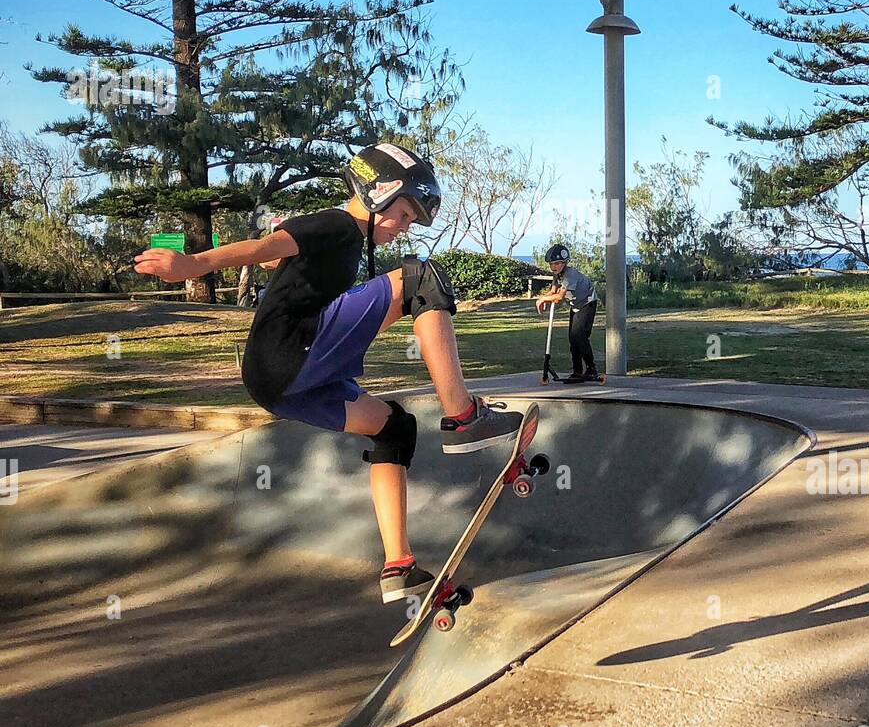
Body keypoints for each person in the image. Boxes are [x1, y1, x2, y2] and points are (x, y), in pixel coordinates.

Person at [133, 144, 521, 603]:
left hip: (277, 384)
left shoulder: (347, 242)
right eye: (402, 215)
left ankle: (399, 565)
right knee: (419, 279)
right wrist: (194, 264)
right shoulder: (334, 223)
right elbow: (269, 245)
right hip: (291, 350)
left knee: (395, 428)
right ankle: (462, 416)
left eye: (411, 222)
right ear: (378, 194)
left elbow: (281, 262)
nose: (402, 228)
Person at [535, 243, 601, 383]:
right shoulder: (558, 275)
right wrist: (545, 299)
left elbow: (559, 298)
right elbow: (553, 292)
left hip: (587, 303)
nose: (554, 267)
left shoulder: (570, 275)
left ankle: (591, 369)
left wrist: (542, 299)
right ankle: (577, 371)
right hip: (575, 306)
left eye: (557, 263)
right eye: (551, 264)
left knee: (579, 336)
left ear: (565, 262)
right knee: (572, 339)